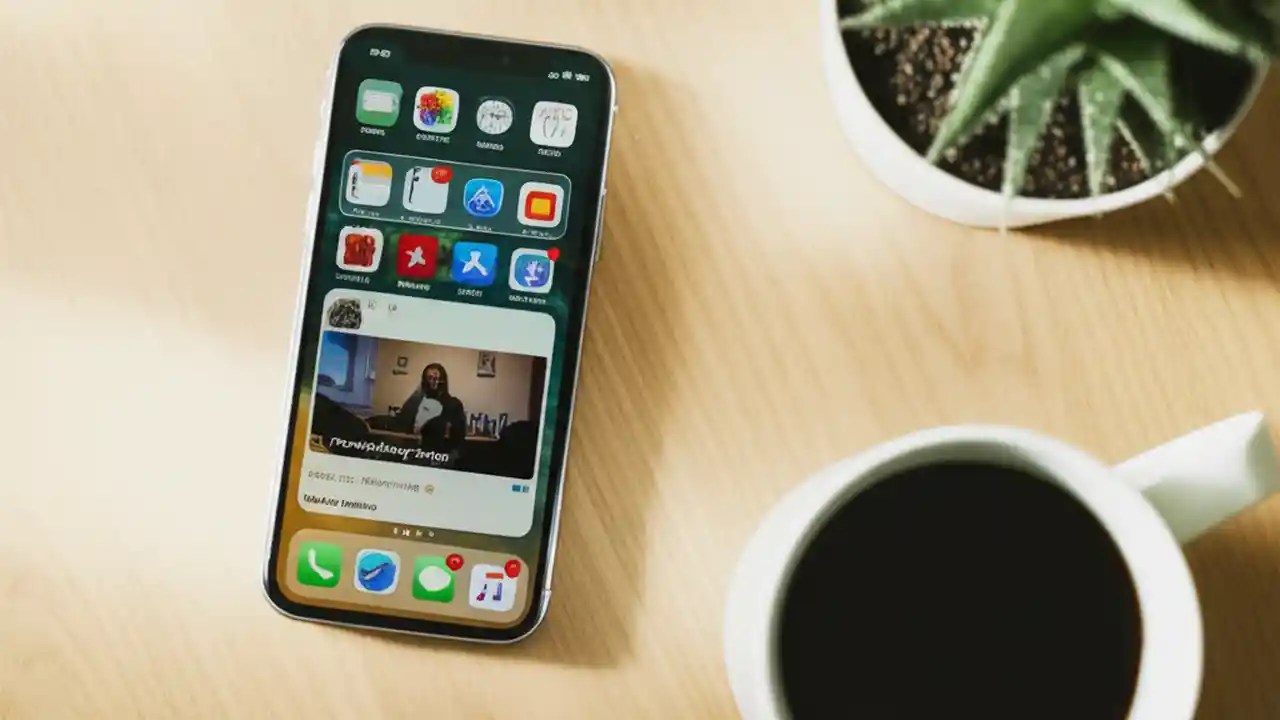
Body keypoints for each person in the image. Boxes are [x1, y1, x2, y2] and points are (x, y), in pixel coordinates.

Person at [393, 363, 466, 455]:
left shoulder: (453, 405)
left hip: (439, 455)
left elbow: (459, 439)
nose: (433, 382)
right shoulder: (415, 401)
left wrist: (452, 456)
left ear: (443, 381)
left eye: (436, 379)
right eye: (429, 378)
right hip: (413, 452)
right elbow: (402, 426)